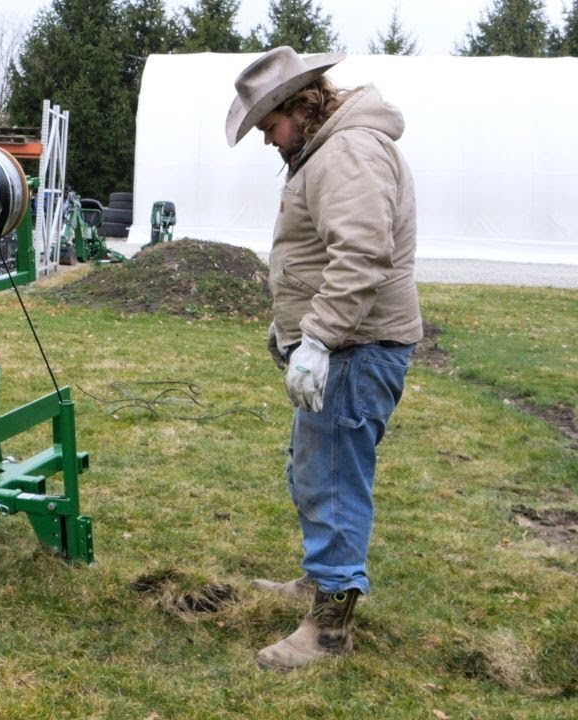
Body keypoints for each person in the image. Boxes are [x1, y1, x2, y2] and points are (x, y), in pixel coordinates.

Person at [226, 46, 423, 670]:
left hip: (356, 347)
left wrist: (317, 338)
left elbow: (362, 253)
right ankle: (321, 582)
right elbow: (319, 252)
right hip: (343, 341)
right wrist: (290, 327)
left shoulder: (347, 151)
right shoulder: (325, 148)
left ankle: (330, 631)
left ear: (302, 106)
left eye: (269, 126)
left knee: (333, 480)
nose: (267, 140)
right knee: (314, 470)